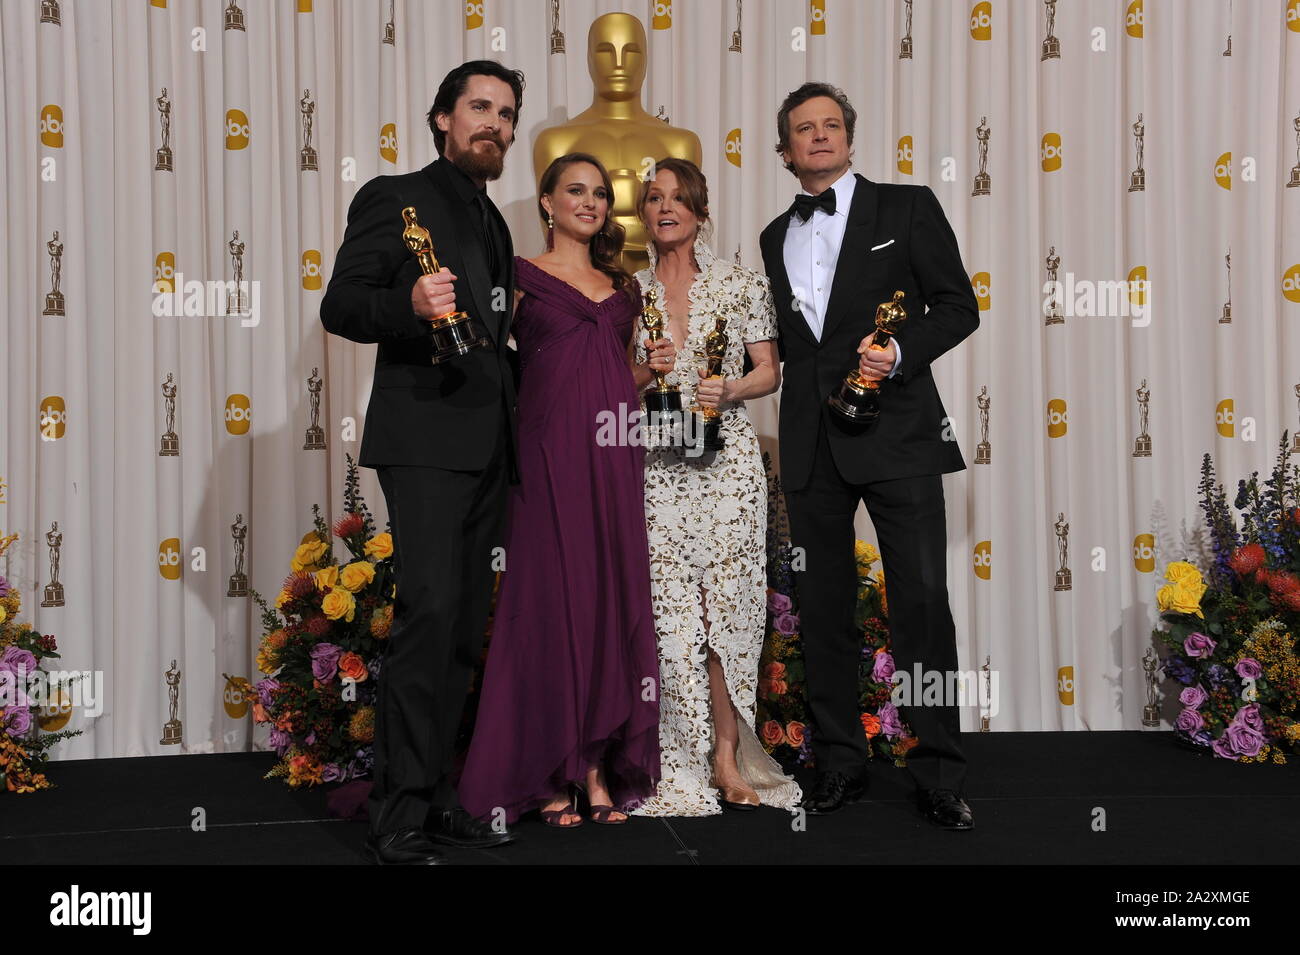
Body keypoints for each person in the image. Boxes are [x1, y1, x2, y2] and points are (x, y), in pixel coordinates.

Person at [758, 82, 979, 828]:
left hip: (900, 436)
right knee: (821, 610)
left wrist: (899, 348)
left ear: (849, 139)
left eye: (830, 126)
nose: (818, 137)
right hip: (811, 447)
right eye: (803, 129)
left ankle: (939, 768)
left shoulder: (907, 207)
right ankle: (839, 761)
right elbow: (788, 350)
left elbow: (958, 305)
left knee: (919, 604)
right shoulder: (769, 237)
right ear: (785, 150)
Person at [320, 59, 525, 865]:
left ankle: (437, 795)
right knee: (429, 616)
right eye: (480, 108)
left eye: (507, 114)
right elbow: (341, 305)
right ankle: (395, 811)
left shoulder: (494, 221)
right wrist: (404, 307)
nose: (495, 125)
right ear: (442, 118)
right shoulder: (392, 196)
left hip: (487, 445)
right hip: (425, 443)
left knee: (464, 630)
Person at [458, 153, 671, 828]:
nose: (590, 201)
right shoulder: (518, 277)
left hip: (614, 458)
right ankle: (550, 768)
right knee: (553, 602)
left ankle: (597, 766)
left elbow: (612, 380)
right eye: (575, 190)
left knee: (609, 600)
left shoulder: (624, 286)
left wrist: (648, 368)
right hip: (547, 457)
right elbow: (497, 364)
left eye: (600, 193)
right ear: (546, 202)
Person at [629, 158, 801, 816]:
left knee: (727, 614)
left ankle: (728, 755)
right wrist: (649, 369)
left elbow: (770, 371)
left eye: (678, 197)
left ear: (700, 212)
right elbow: (621, 385)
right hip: (660, 466)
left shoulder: (739, 282)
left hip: (727, 465)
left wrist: (729, 388)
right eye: (653, 197)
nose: (665, 206)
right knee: (674, 617)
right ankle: (679, 754)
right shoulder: (631, 294)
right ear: (643, 213)